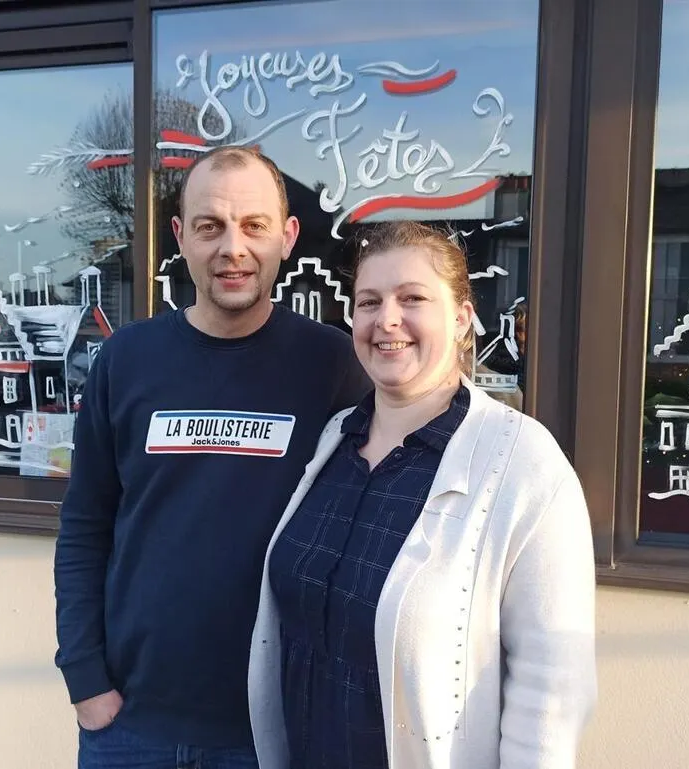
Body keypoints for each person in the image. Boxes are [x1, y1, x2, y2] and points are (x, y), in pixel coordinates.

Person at [54, 146, 371, 769]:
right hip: (130, 727)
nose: (233, 248)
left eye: (254, 226)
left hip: (272, 730)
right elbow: (85, 527)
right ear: (180, 236)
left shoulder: (334, 366)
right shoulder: (125, 361)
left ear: (287, 237)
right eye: (210, 226)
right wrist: (85, 678)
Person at [248, 220, 597, 769]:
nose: (387, 319)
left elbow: (550, 689)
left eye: (412, 298)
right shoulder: (334, 439)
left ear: (460, 319)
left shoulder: (522, 463)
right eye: (369, 301)